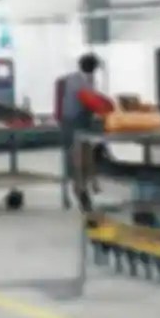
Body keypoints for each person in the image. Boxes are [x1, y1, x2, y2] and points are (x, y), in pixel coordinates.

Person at [58, 53, 108, 209]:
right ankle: (79, 190)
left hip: (84, 121)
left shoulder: (86, 79)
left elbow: (93, 98)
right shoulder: (76, 81)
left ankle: (88, 184)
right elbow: (88, 99)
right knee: (77, 157)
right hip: (72, 122)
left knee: (86, 155)